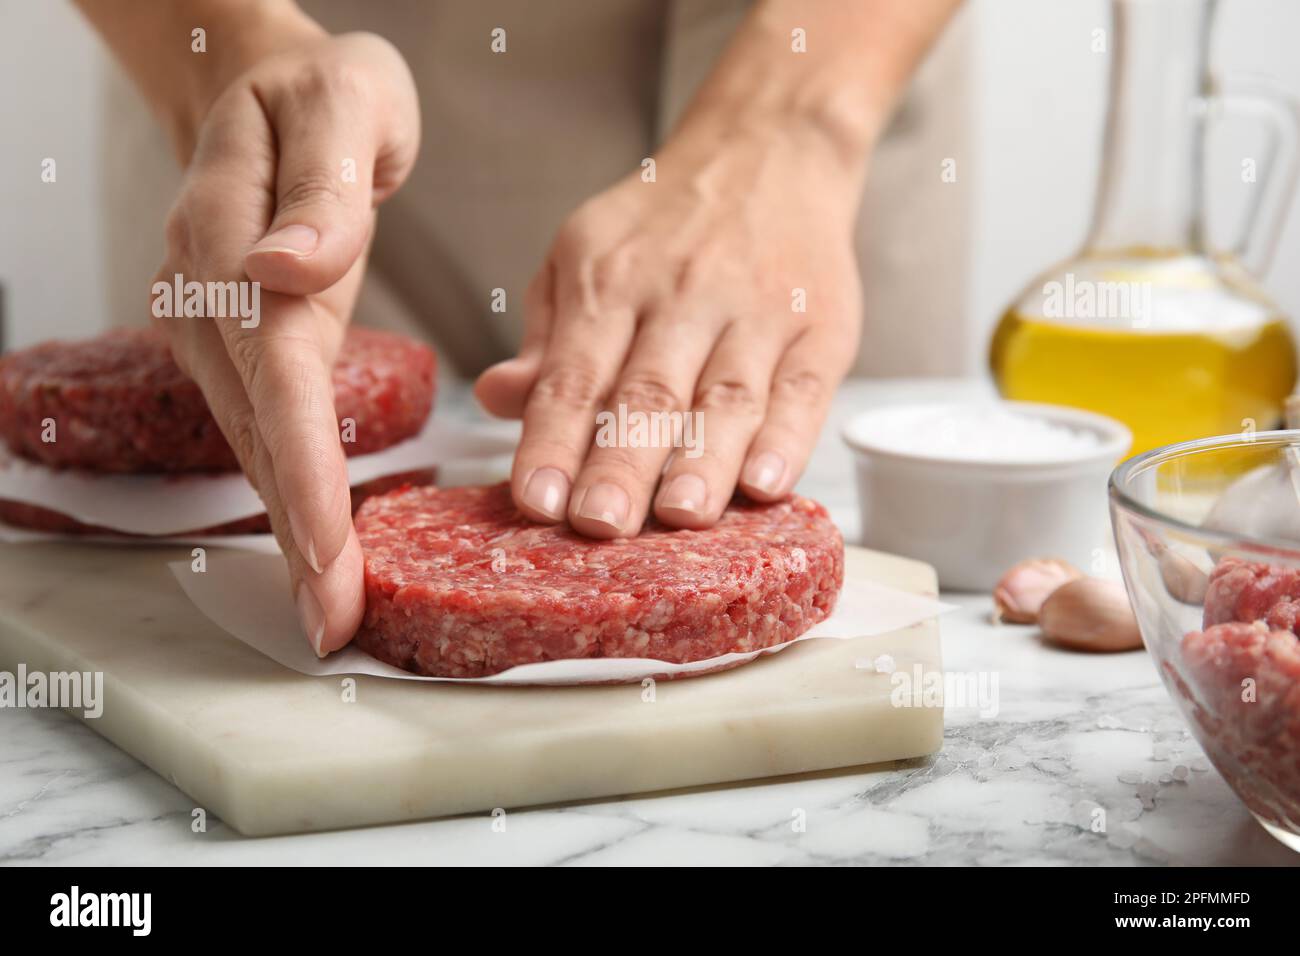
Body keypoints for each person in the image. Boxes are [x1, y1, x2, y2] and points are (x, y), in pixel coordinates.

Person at [76, 0, 961, 654]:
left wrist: (793, 124)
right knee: (265, 436)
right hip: (301, 59)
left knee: (760, 459)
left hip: (833, 50)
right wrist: (222, 52)